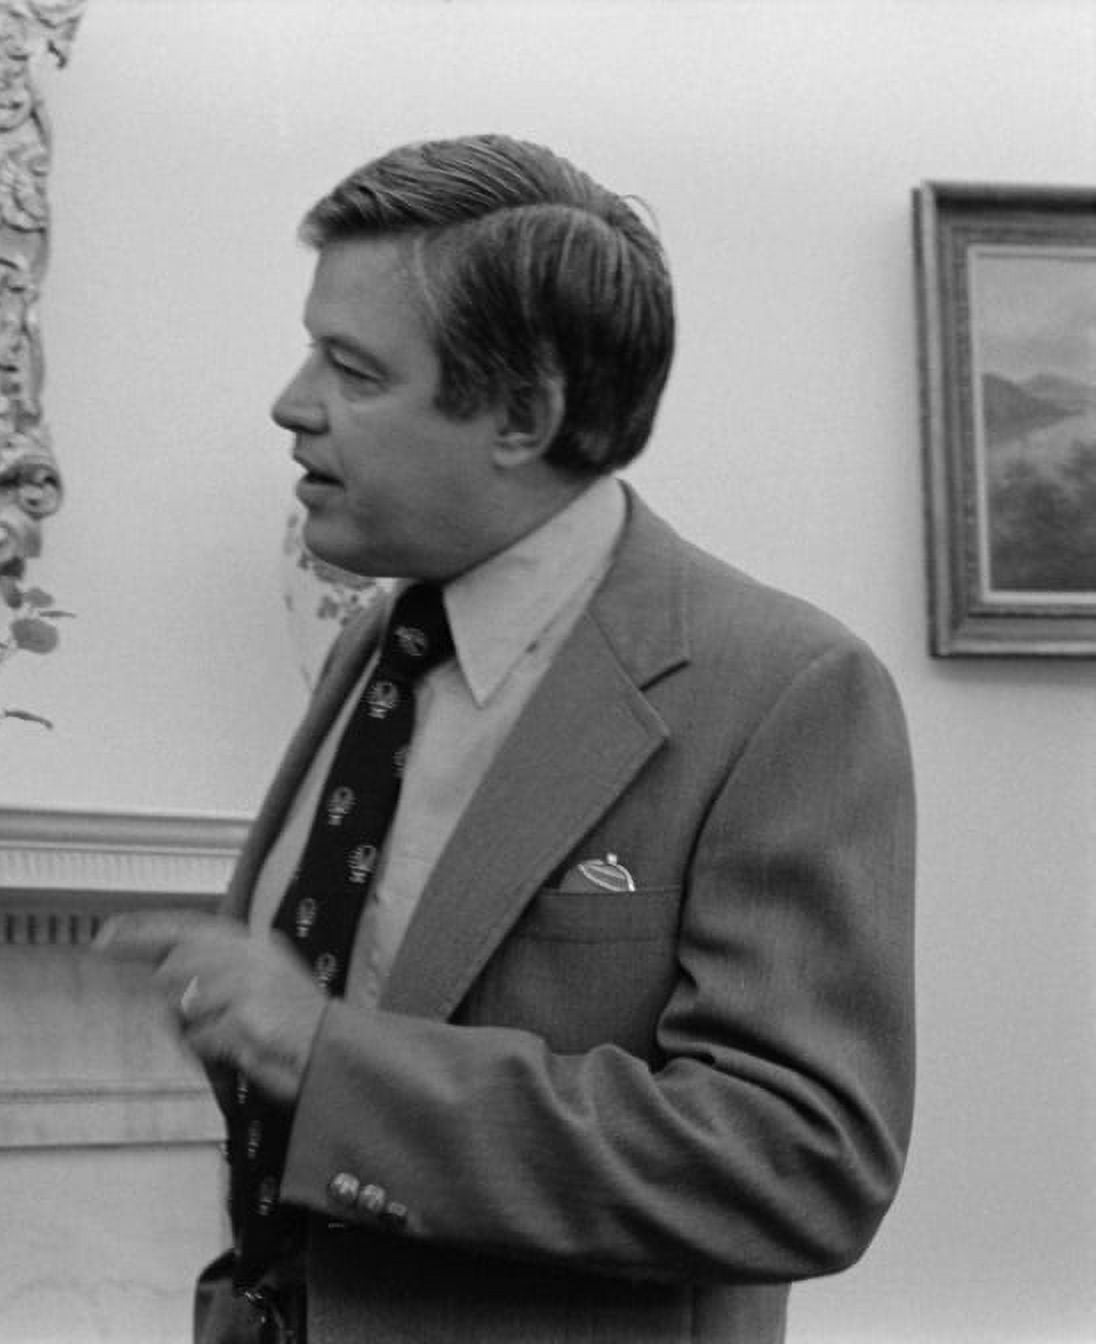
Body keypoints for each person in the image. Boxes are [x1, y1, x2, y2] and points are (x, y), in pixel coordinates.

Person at [99, 134, 914, 1343]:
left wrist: (333, 1064)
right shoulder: (375, 647)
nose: (290, 402)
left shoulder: (784, 691)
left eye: (352, 368)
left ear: (522, 417)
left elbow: (797, 1163)